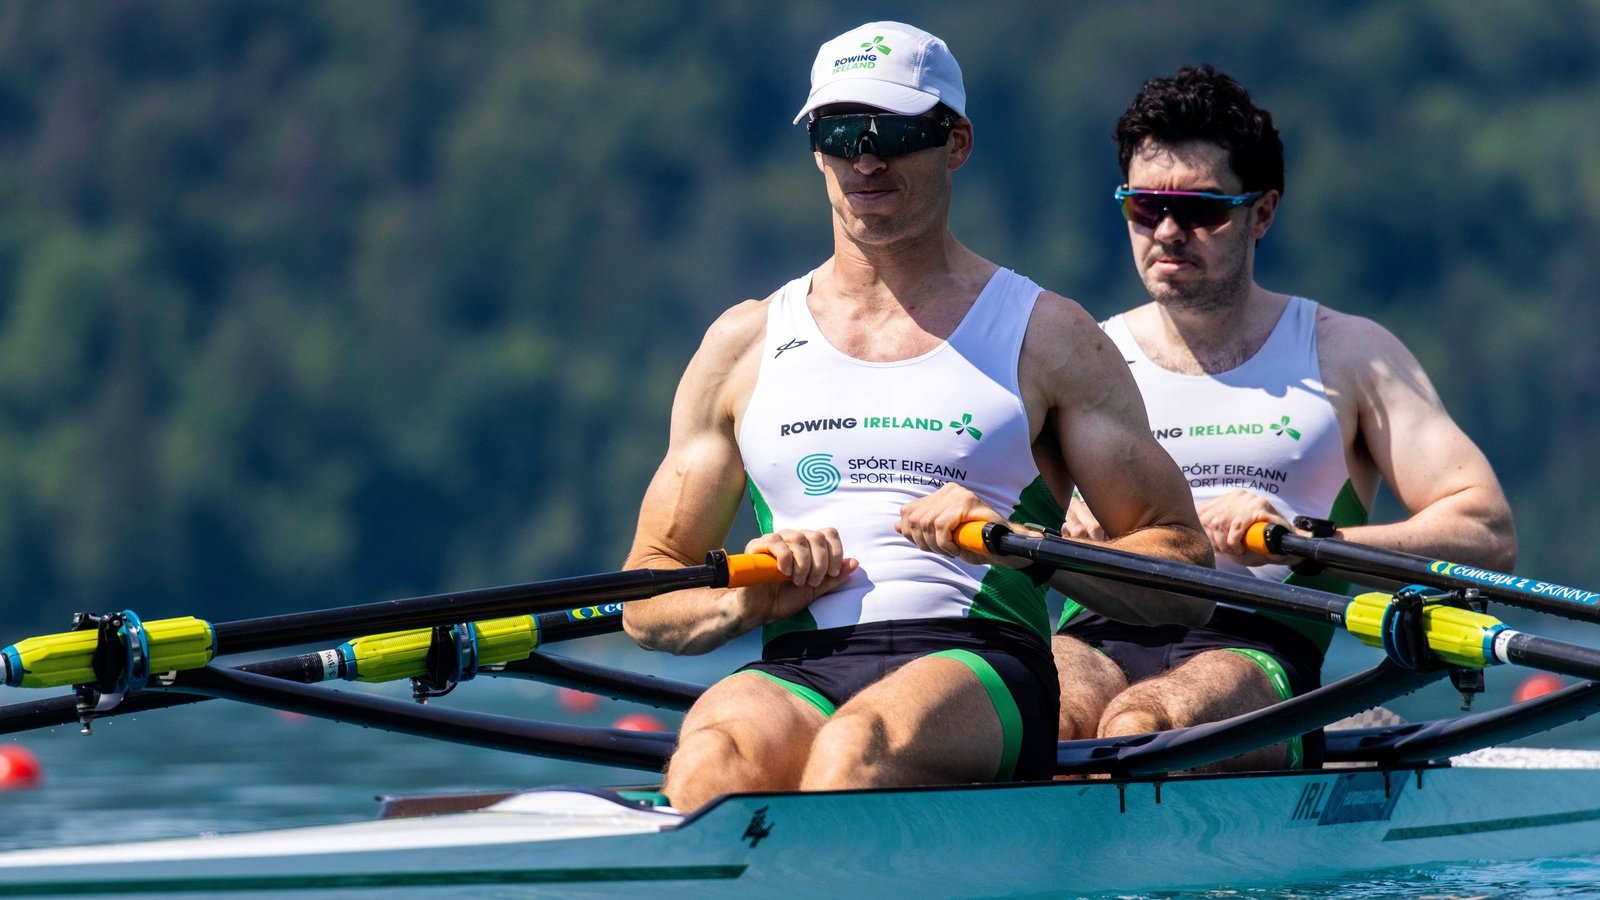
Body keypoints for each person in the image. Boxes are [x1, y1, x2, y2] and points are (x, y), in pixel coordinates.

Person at [620, 22, 1213, 813]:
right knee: (711, 765)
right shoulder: (743, 344)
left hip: (982, 662)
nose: (866, 160)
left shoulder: (1046, 335)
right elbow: (646, 594)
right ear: (817, 150)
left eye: (895, 133)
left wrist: (1029, 551)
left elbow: (1185, 573)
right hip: (801, 664)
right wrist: (742, 601)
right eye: (839, 135)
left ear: (956, 141)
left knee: (855, 754)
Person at [1045, 65, 1517, 770]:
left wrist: (1307, 537)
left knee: (1144, 719)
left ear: (1261, 214)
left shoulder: (1350, 354)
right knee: (1058, 715)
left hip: (1255, 641)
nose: (1168, 232)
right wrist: (1059, 524)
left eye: (1200, 211)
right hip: (1094, 628)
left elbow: (1486, 531)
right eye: (1145, 208)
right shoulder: (1079, 354)